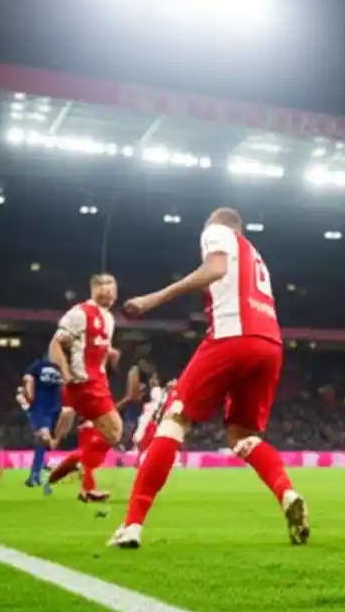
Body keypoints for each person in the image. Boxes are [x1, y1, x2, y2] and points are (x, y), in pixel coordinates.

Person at [109, 207, 307, 549]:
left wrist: (155, 298)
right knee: (242, 435)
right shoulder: (256, 255)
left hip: (232, 336)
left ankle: (131, 525)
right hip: (270, 345)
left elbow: (216, 268)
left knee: (174, 417)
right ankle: (286, 492)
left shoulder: (218, 233)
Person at [43, 274, 121, 502]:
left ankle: (85, 486)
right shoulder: (79, 313)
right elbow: (56, 345)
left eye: (112, 287)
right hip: (83, 383)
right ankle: (75, 464)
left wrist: (109, 359)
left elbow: (100, 350)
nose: (108, 291)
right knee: (114, 432)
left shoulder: (109, 319)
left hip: (98, 382)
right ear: (94, 289)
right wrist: (66, 376)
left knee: (96, 434)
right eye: (103, 287)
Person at [21, 354, 64, 487]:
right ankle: (43, 471)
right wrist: (29, 395)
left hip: (48, 409)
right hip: (43, 408)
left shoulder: (53, 366)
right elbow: (28, 378)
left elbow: (28, 378)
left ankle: (36, 475)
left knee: (41, 442)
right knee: (43, 438)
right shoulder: (44, 365)